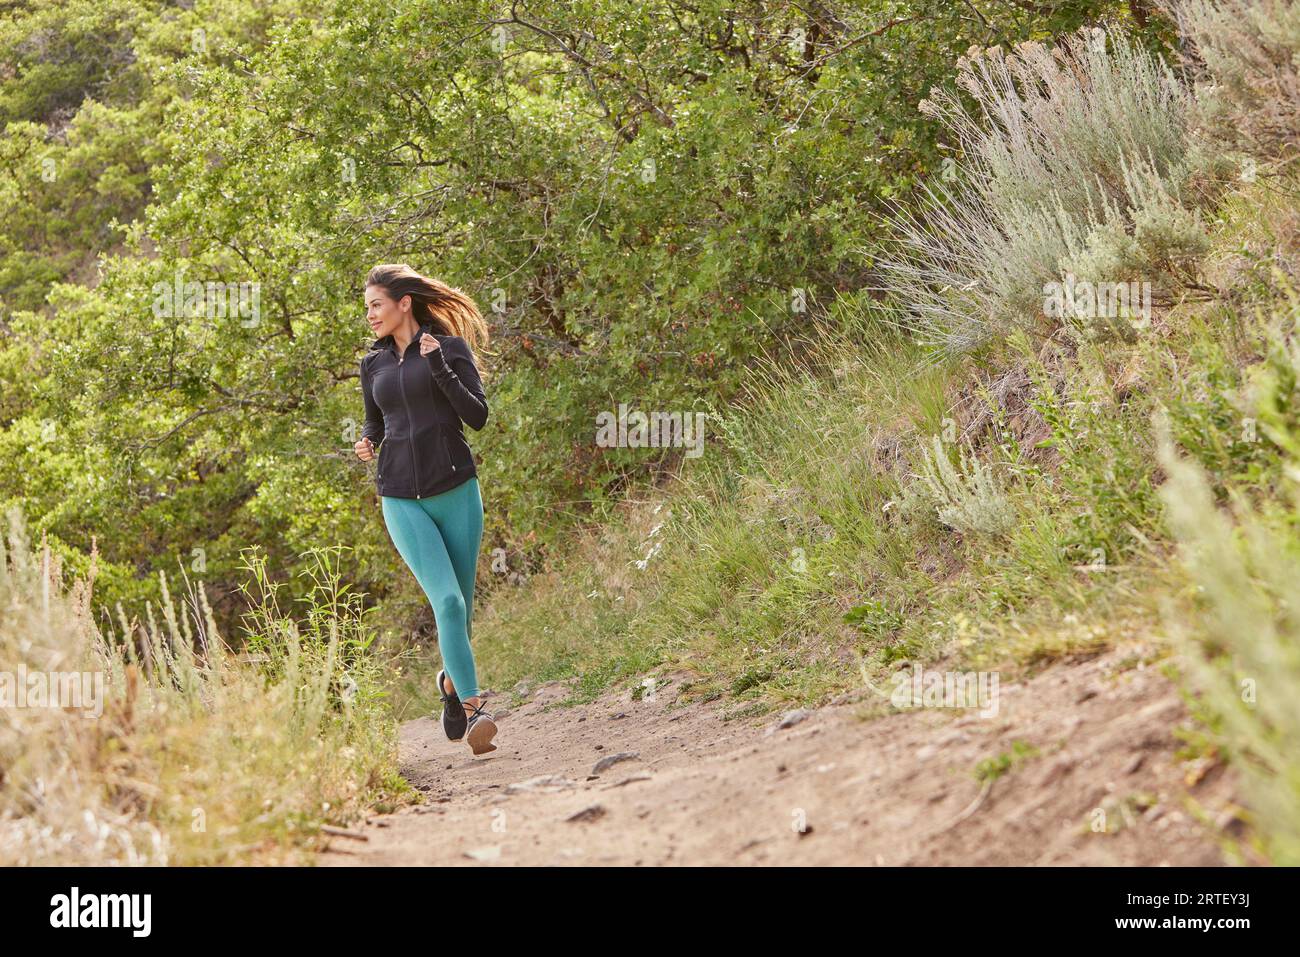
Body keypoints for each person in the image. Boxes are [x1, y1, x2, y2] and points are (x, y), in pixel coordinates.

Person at [353, 263, 498, 755]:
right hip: (399, 496)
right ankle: (477, 709)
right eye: (367, 307)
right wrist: (368, 440)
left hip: (456, 491)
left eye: (376, 304)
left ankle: (451, 687)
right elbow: (377, 420)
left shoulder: (450, 349)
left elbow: (476, 416)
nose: (370, 314)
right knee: (449, 604)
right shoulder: (372, 364)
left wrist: (438, 367)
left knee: (461, 612)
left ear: (404, 303)